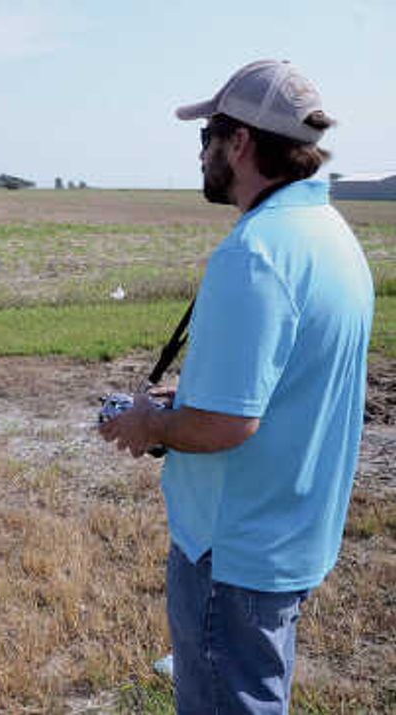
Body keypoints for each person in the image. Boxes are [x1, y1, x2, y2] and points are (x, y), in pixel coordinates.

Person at [98, 60, 374, 714]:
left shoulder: (256, 253)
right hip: (290, 537)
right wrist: (184, 403)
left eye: (206, 139)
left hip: (233, 556)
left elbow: (226, 425)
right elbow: (276, 388)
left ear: (240, 143)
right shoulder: (330, 236)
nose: (200, 155)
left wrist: (148, 424)